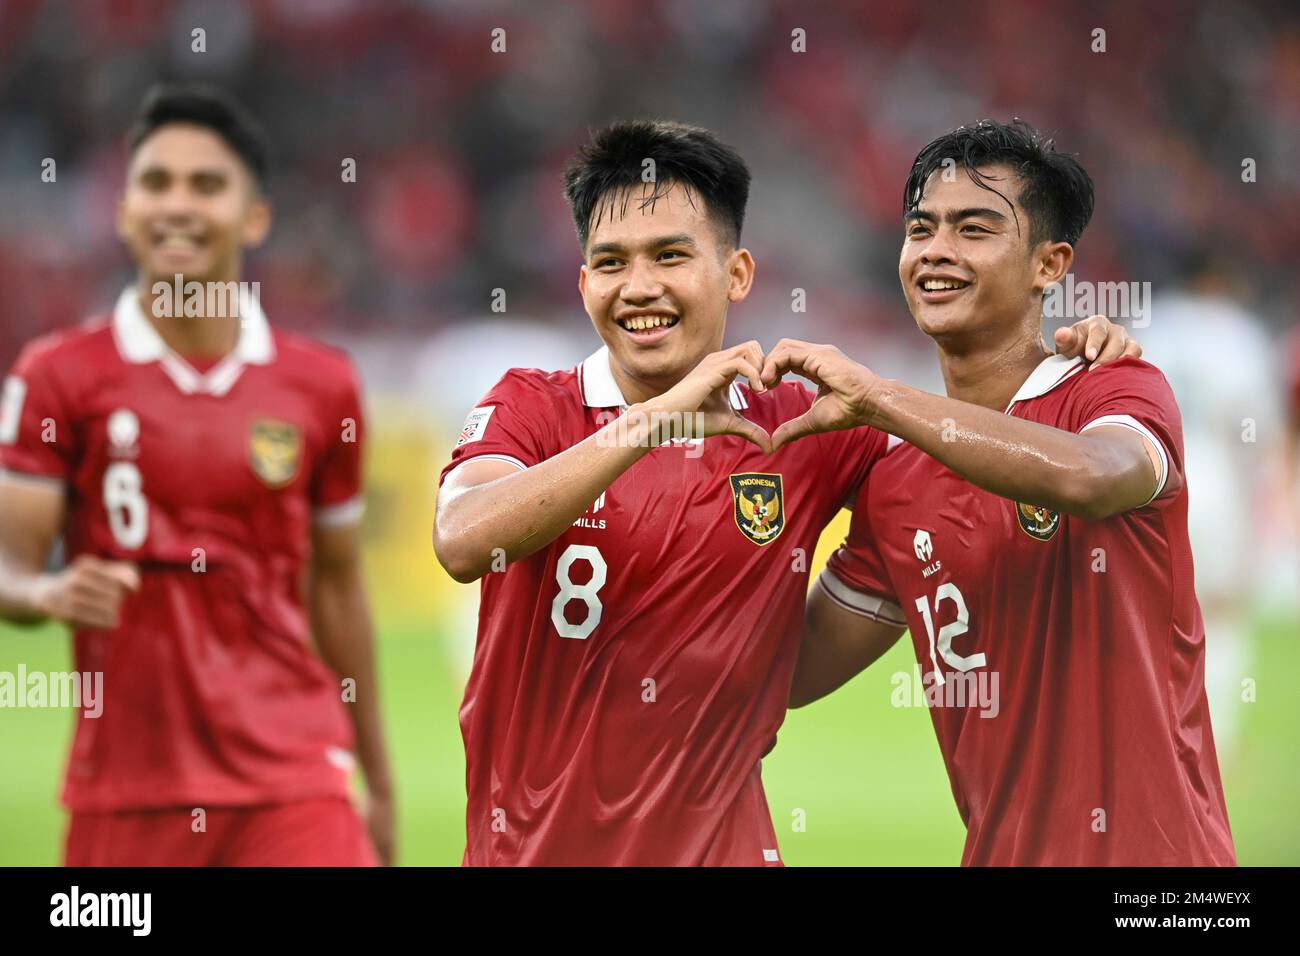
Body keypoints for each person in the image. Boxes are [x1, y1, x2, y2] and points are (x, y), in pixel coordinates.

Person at [432, 119, 1134, 866]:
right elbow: (465, 539)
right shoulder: (532, 407)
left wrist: (1054, 351)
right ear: (584, 284)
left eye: (671, 255)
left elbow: (975, 457)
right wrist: (650, 423)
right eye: (611, 263)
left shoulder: (808, 427)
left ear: (736, 274)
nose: (640, 287)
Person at [776, 119, 1234, 865]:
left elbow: (1093, 478)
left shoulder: (1114, 389)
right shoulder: (896, 481)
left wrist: (880, 398)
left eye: (974, 229)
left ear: (1048, 264)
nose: (936, 251)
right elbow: (788, 672)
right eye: (920, 227)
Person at [0, 84, 393, 866]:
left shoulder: (321, 384)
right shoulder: (57, 376)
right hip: (126, 789)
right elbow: (7, 563)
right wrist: (44, 592)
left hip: (293, 781)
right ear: (123, 209)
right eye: (155, 182)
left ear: (255, 217)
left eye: (206, 185)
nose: (176, 204)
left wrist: (375, 782)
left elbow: (339, 587)